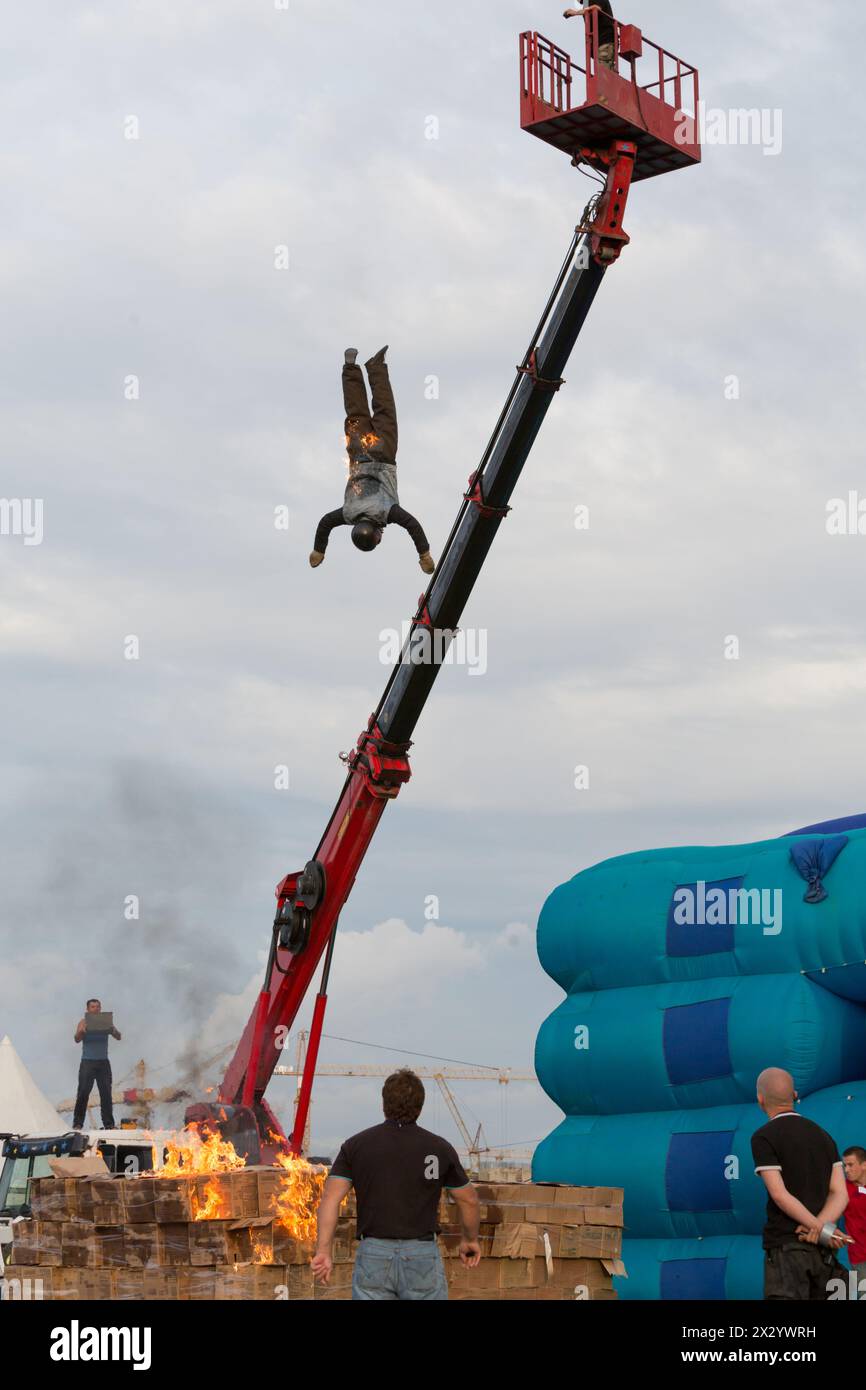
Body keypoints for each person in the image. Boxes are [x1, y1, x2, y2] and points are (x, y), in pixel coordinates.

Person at [311, 1068, 480, 1300]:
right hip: (422, 1255)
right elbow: (469, 1200)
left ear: (384, 1104)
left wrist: (323, 1251)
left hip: (373, 1255)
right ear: (420, 1107)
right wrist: (469, 1240)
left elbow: (330, 1200)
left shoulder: (356, 1146)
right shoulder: (440, 1148)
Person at [310, 347, 435, 574]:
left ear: (376, 534)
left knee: (384, 410)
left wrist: (424, 555)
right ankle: (350, 366)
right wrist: (318, 550)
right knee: (355, 410)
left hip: (384, 453)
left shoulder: (386, 512)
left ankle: (377, 366)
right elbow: (325, 523)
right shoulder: (347, 513)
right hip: (358, 452)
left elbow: (412, 525)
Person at [751, 1067, 850, 1300]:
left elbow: (779, 1194)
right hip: (823, 1251)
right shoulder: (824, 1136)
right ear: (794, 1095)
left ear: (760, 1099)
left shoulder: (763, 1137)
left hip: (787, 1250)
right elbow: (840, 1194)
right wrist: (821, 1229)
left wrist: (815, 1226)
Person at [72, 998, 121, 1130]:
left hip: (103, 1063)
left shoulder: (106, 1022)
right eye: (93, 1007)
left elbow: (119, 1036)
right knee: (83, 1092)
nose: (96, 1009)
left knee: (106, 1093)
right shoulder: (83, 1022)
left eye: (98, 1007)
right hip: (87, 1062)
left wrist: (112, 1030)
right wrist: (82, 1031)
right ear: (88, 1009)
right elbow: (76, 1039)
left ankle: (109, 1124)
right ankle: (77, 1123)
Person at [563, 2, 616, 71]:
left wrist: (575, 13)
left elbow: (596, 8)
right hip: (600, 44)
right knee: (604, 72)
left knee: (603, 74)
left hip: (605, 41)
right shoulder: (586, 3)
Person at [842, 1146, 866, 1295]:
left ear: (864, 1165)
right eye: (845, 1165)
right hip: (860, 1258)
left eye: (850, 1165)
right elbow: (828, 1216)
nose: (846, 1170)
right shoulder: (842, 1190)